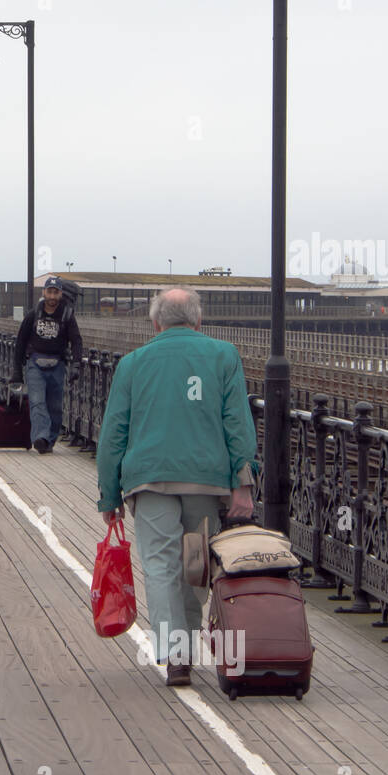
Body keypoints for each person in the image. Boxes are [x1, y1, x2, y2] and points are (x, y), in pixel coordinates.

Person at [95, 288, 257, 686]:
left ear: (156, 323)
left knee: (160, 564)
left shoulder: (133, 364)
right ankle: (186, 643)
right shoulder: (224, 357)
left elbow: (113, 433)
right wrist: (243, 483)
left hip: (148, 479)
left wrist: (109, 494)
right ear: (198, 321)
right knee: (195, 564)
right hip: (205, 479)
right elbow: (238, 423)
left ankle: (175, 654)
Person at [11, 276, 84, 453]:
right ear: (44, 293)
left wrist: (76, 364)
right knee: (37, 402)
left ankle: (49, 440)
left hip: (57, 365)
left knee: (55, 407)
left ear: (60, 294)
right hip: (35, 363)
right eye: (49, 292)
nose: (52, 296)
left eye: (56, 292)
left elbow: (76, 341)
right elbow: (20, 341)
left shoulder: (67, 315)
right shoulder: (33, 314)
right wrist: (17, 371)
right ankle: (40, 437)